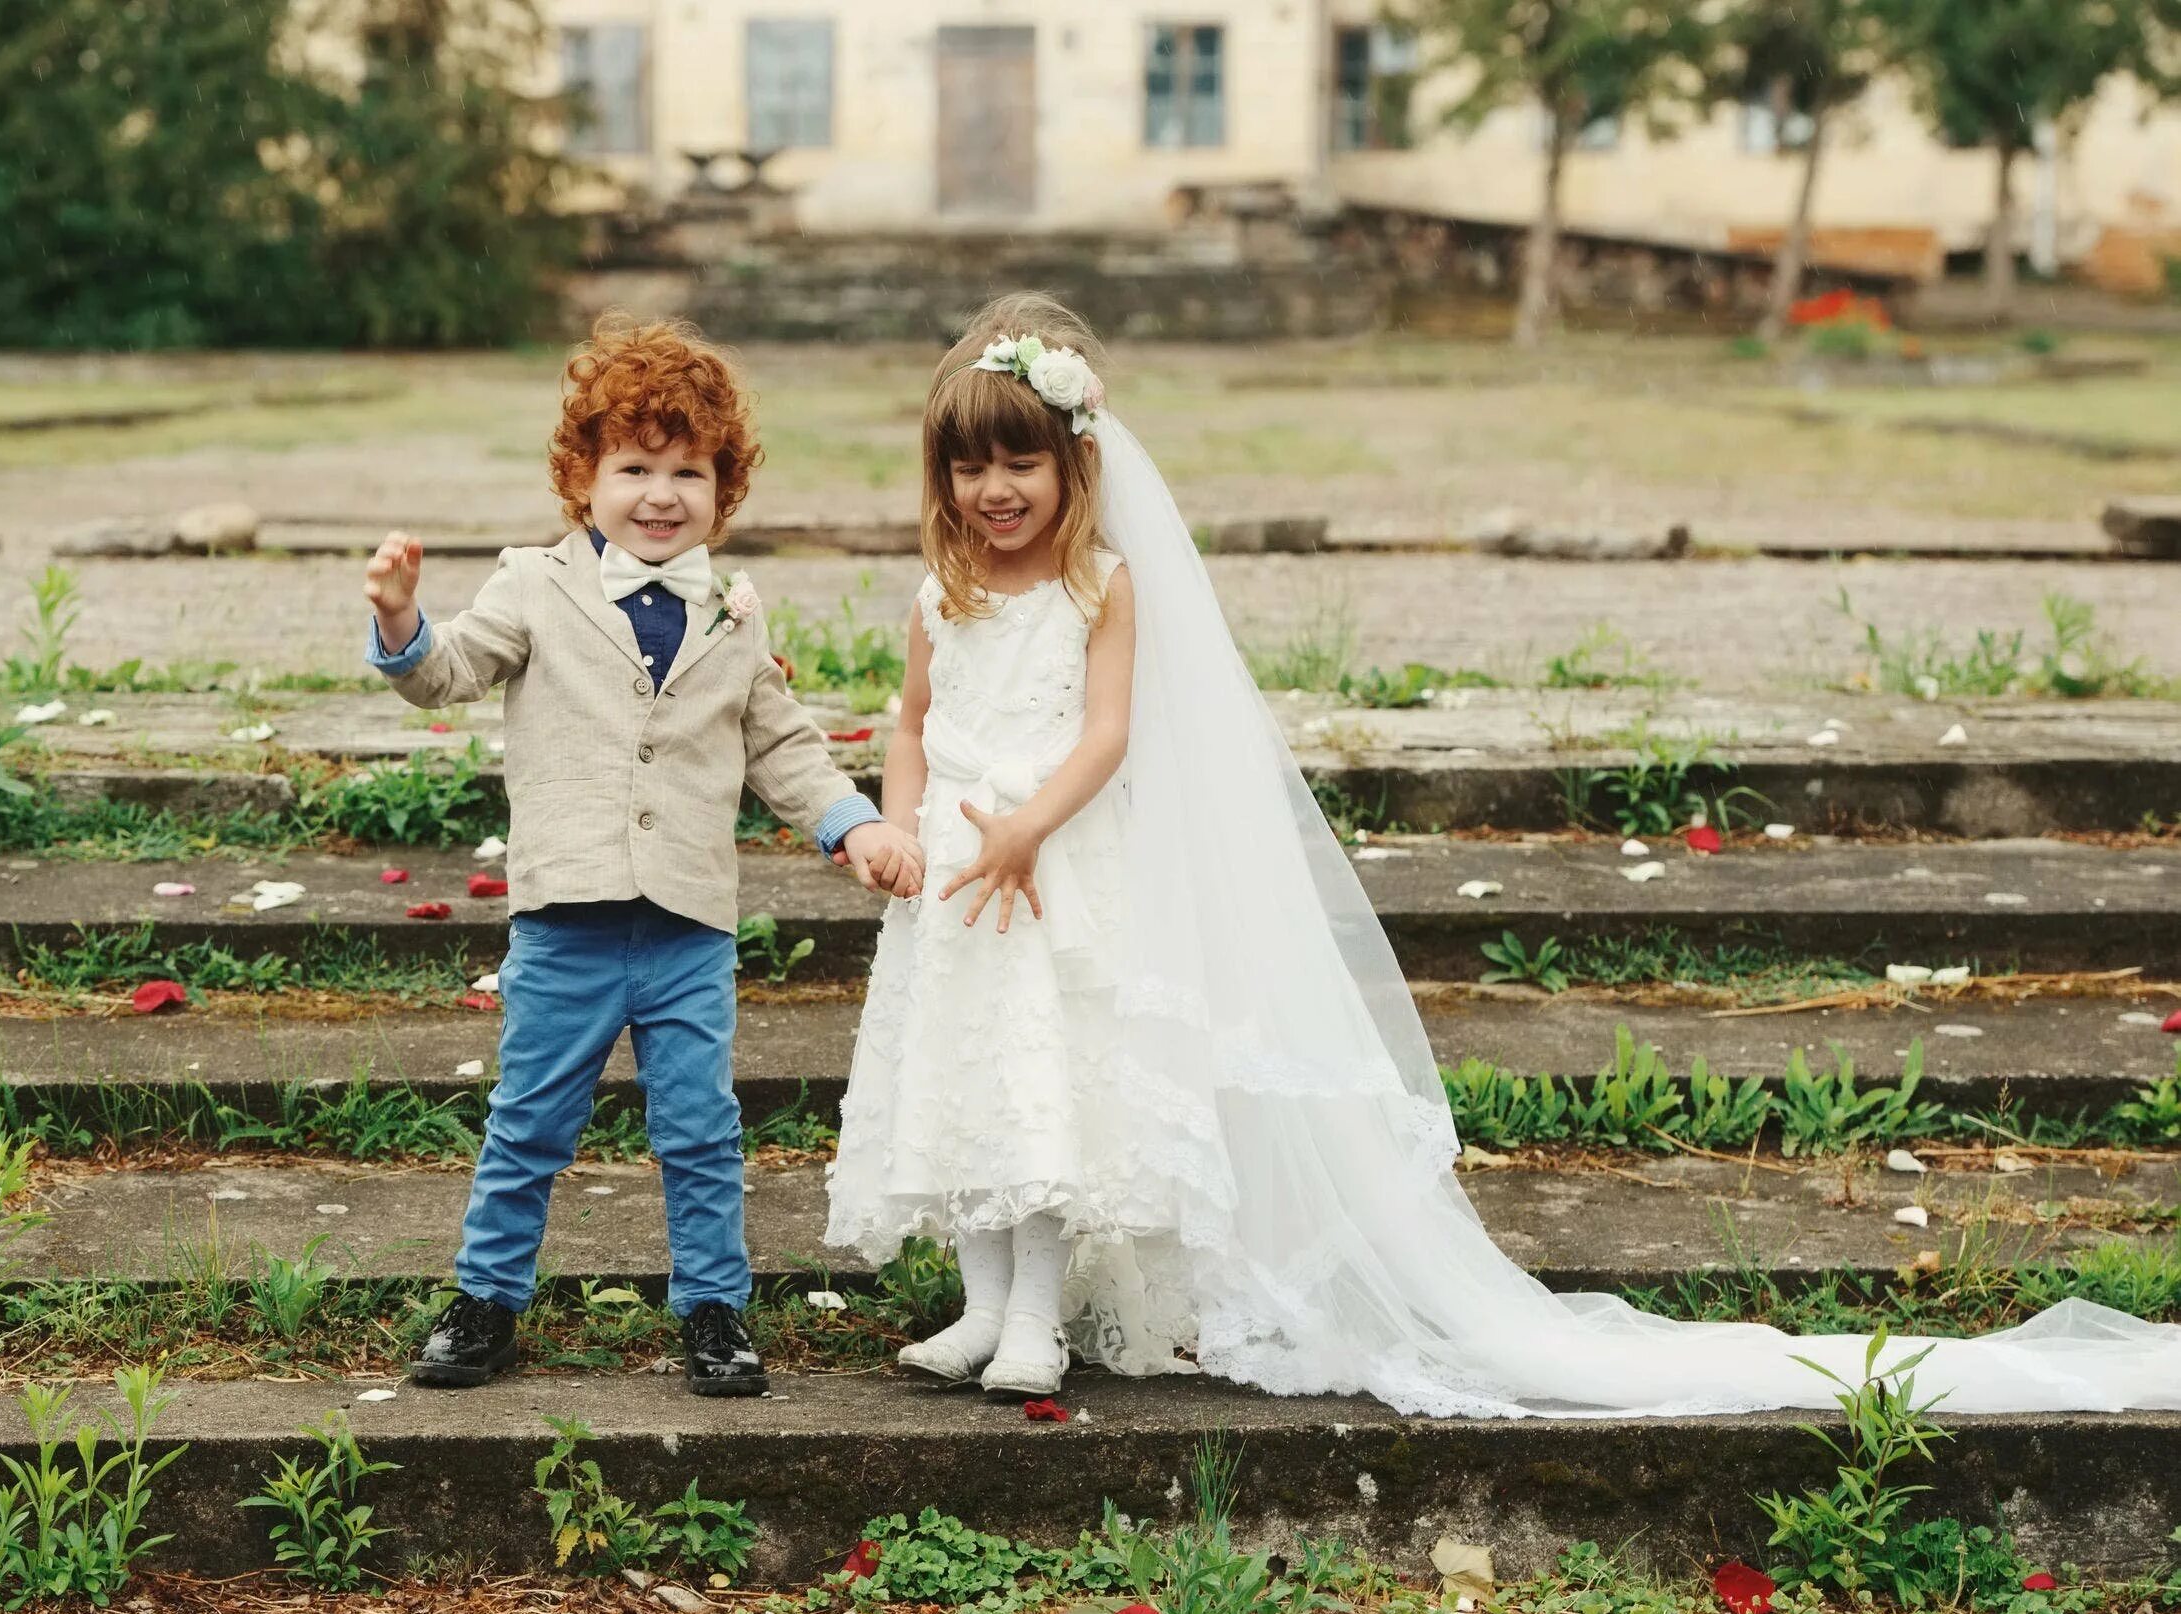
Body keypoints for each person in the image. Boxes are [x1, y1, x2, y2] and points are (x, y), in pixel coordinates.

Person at [828, 291, 2181, 1416]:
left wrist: (1026, 825)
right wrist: (894, 821)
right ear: (939, 477)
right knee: (965, 1080)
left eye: (1020, 461)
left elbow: (1108, 734)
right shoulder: (937, 592)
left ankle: (1040, 1317)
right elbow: (913, 720)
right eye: (968, 465)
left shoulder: (1095, 587)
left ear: (1075, 465)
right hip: (953, 873)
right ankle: (979, 1300)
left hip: (1052, 864)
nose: (992, 488)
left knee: (1049, 1079)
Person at [365, 313, 923, 1395]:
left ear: (724, 490)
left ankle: (713, 1308)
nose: (660, 493)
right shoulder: (533, 582)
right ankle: (485, 1300)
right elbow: (451, 671)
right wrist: (402, 622)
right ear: (582, 477)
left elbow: (782, 745)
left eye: (688, 471)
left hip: (684, 925)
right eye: (633, 467)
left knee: (701, 1128)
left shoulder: (733, 613)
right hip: (567, 916)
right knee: (527, 1120)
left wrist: (854, 823)